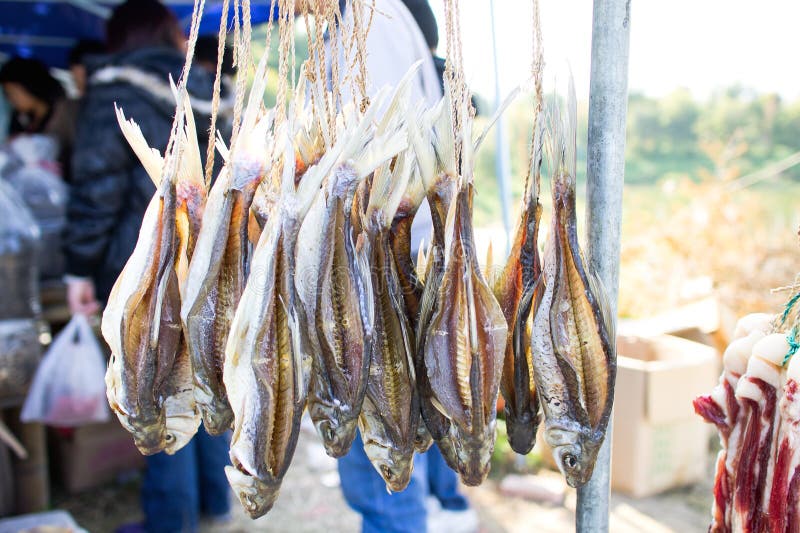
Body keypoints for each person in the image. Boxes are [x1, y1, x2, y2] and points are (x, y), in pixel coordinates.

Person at [63, 1, 231, 532]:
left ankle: (172, 518)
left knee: (154, 389)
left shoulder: (113, 90)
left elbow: (97, 189)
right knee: (207, 374)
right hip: (211, 266)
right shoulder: (208, 86)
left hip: (141, 272)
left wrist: (77, 268)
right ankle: (218, 503)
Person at [330, 1, 478, 532]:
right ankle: (444, 509)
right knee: (422, 399)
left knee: (383, 436)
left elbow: (376, 141)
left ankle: (410, 519)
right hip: (411, 246)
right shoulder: (394, 21)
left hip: (383, 249)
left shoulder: (369, 20)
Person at [0, 56, 77, 179]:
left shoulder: (65, 112)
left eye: (12, 93)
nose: (11, 99)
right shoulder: (21, 119)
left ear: (28, 86)